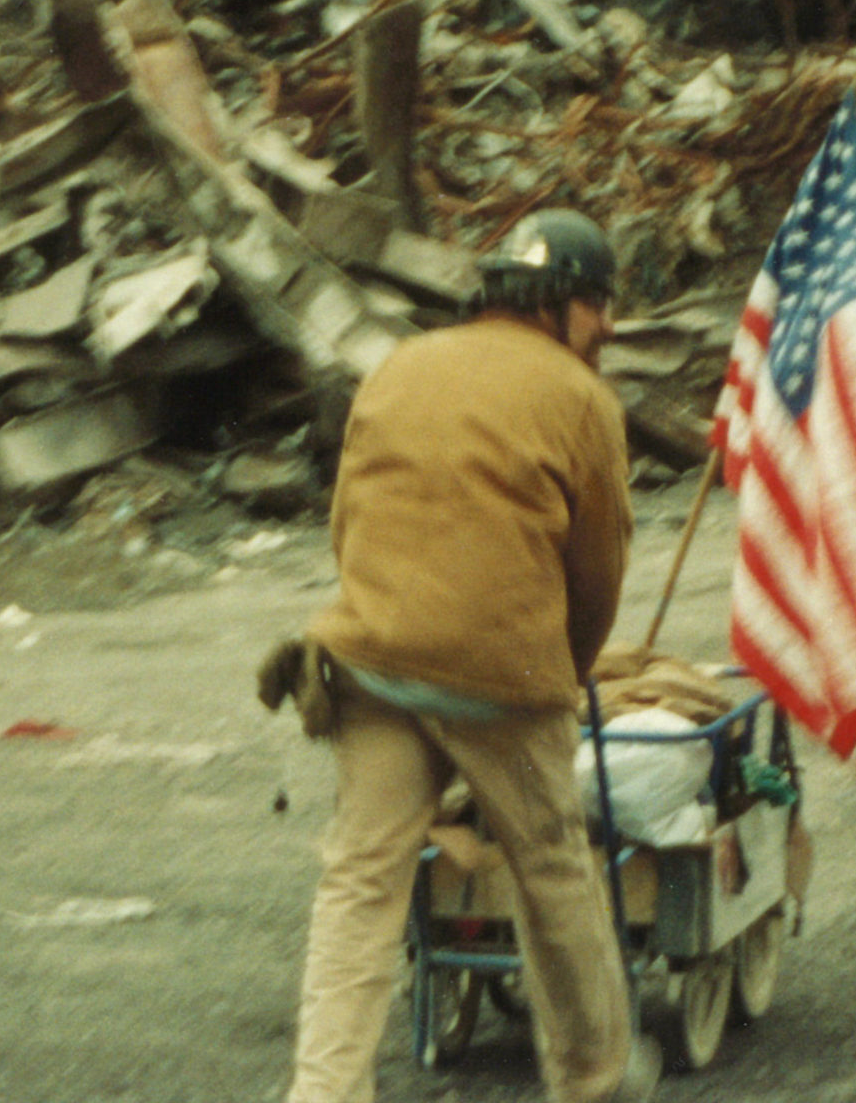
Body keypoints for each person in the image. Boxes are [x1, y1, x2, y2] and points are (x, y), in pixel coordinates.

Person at [284, 209, 658, 1103]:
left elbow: (349, 525)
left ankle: (323, 1091)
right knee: (552, 866)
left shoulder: (397, 368)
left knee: (360, 881)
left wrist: (390, 620)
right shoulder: (581, 400)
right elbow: (599, 565)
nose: (606, 326)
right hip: (500, 682)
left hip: (368, 660)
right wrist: (564, 671)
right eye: (599, 304)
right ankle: (594, 1077)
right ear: (558, 302)